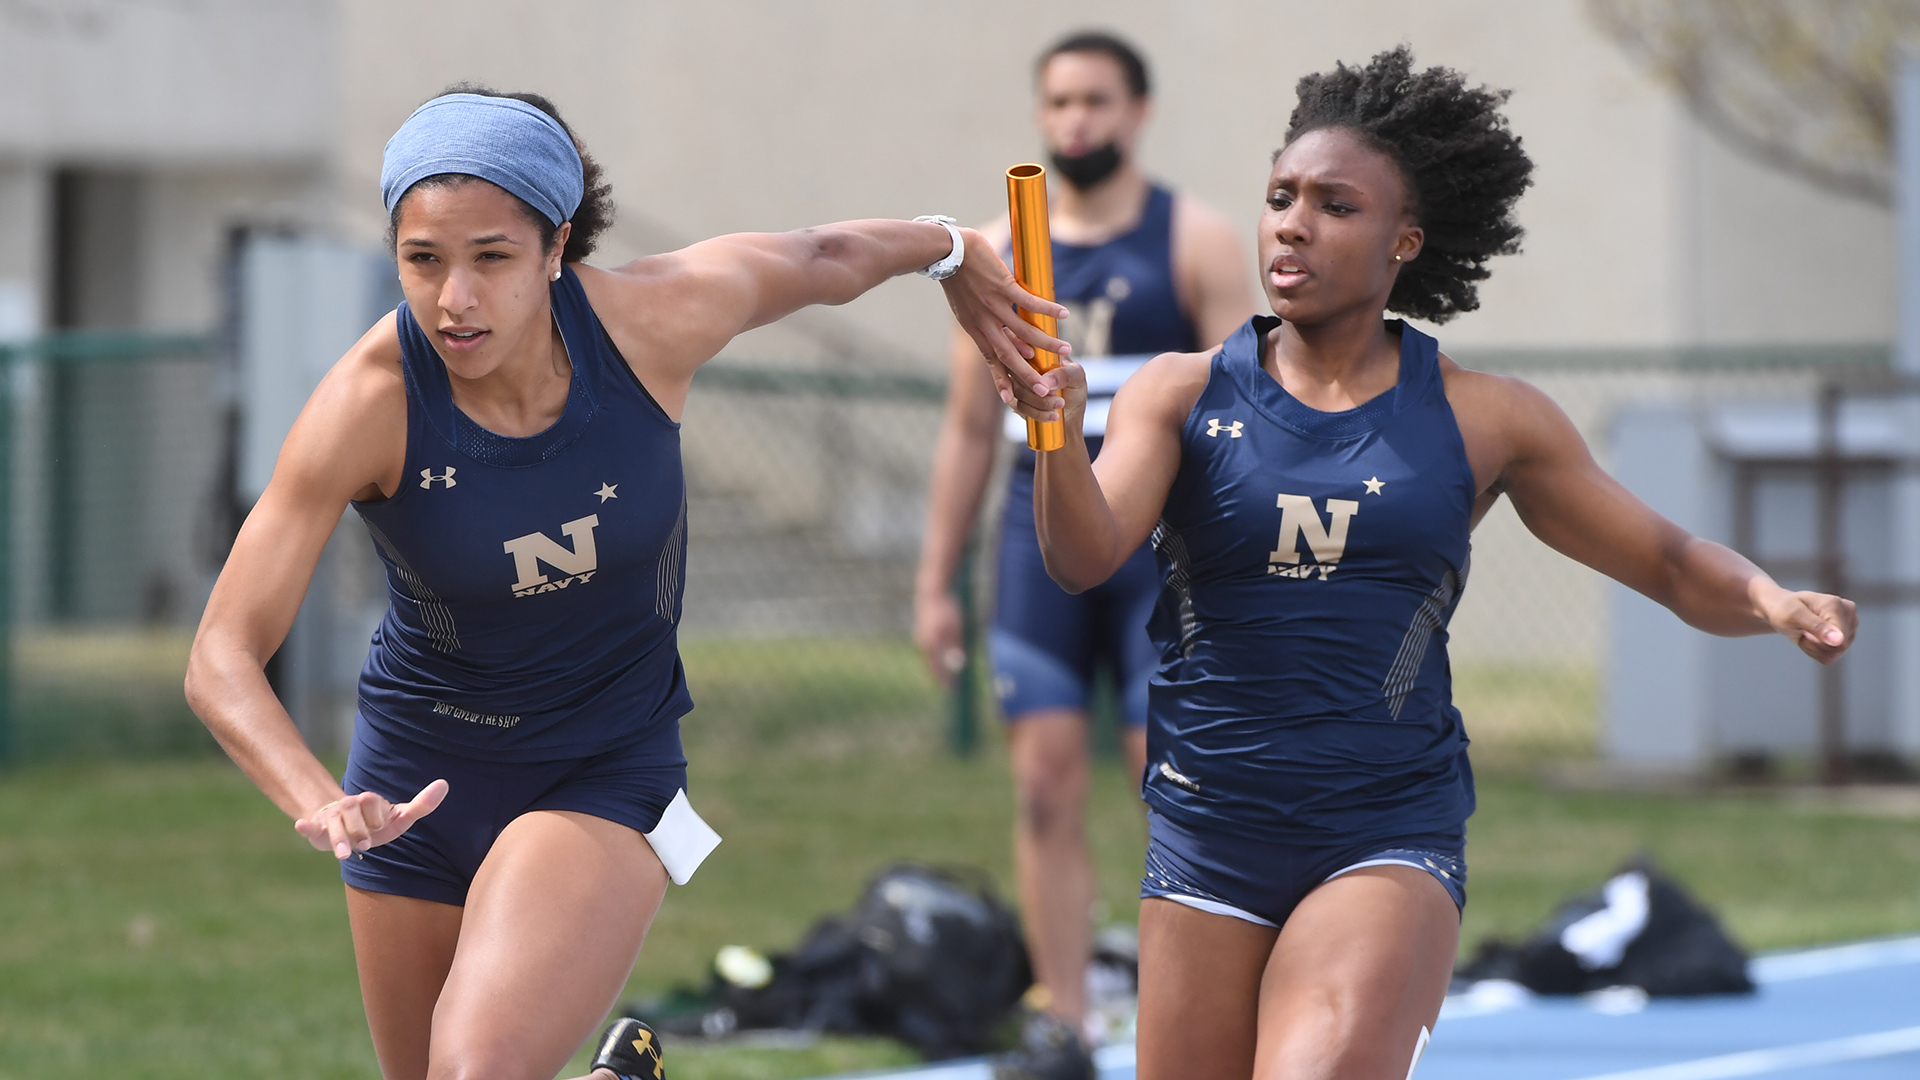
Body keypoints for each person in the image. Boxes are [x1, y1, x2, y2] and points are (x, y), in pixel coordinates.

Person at [982, 47, 1859, 1080]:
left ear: (1405, 240)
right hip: (1207, 834)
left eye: (1334, 205)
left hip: (1384, 832)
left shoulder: (1487, 420)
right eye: (1280, 197)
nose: (1293, 223)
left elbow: (1667, 560)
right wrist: (1055, 437)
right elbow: (1081, 556)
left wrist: (1769, 598)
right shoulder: (1179, 396)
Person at [184, 86, 1067, 1080]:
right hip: (415, 781)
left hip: (600, 766)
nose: (454, 299)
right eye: (422, 260)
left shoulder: (651, 322)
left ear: (557, 248)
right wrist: (321, 798)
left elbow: (819, 259)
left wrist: (950, 250)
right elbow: (221, 653)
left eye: (492, 258)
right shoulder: (369, 399)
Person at [912, 32, 1254, 1077]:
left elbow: (1248, 412)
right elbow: (973, 428)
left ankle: (1191, 1008)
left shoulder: (1194, 239)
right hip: (1035, 535)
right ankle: (1066, 1015)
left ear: (1138, 110)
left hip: (1160, 547)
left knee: (1172, 781)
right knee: (1045, 787)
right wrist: (934, 585)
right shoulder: (1000, 248)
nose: (1076, 122)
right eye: (1057, 101)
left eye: (1096, 101)